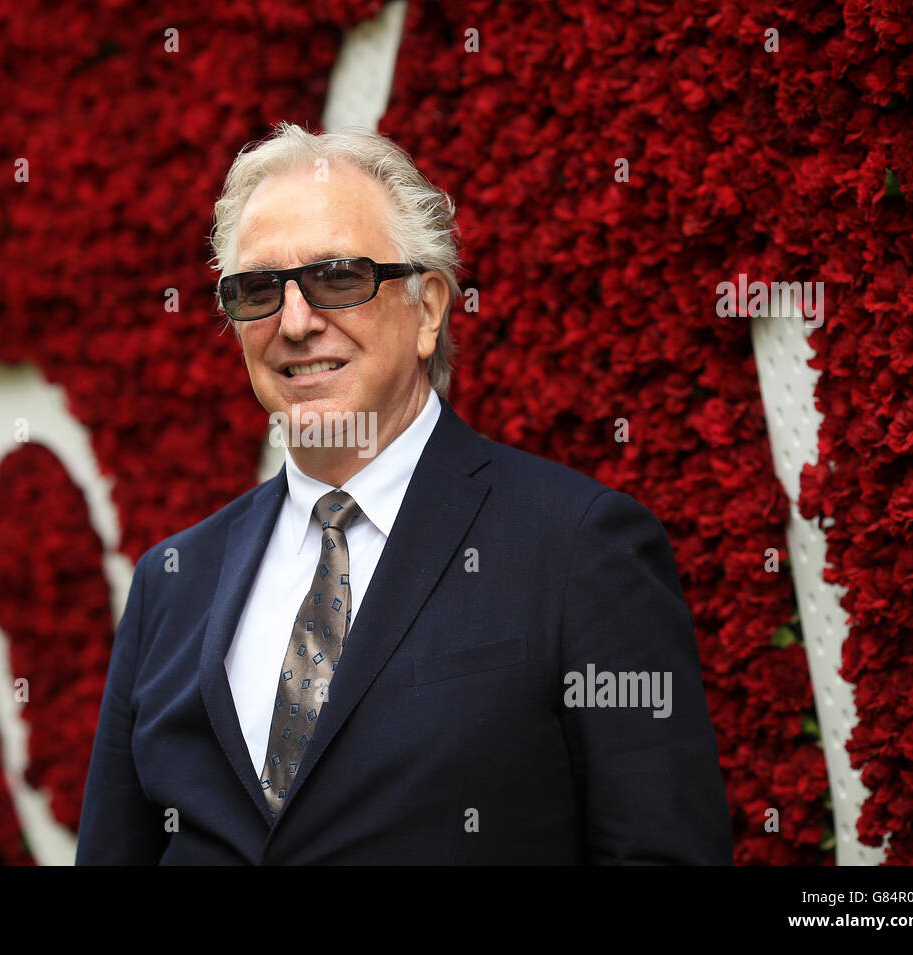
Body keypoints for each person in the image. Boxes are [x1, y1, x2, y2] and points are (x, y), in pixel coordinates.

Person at [75, 122, 732, 864]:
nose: (294, 322)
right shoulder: (172, 581)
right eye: (258, 289)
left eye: (339, 277)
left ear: (427, 310)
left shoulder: (579, 546)